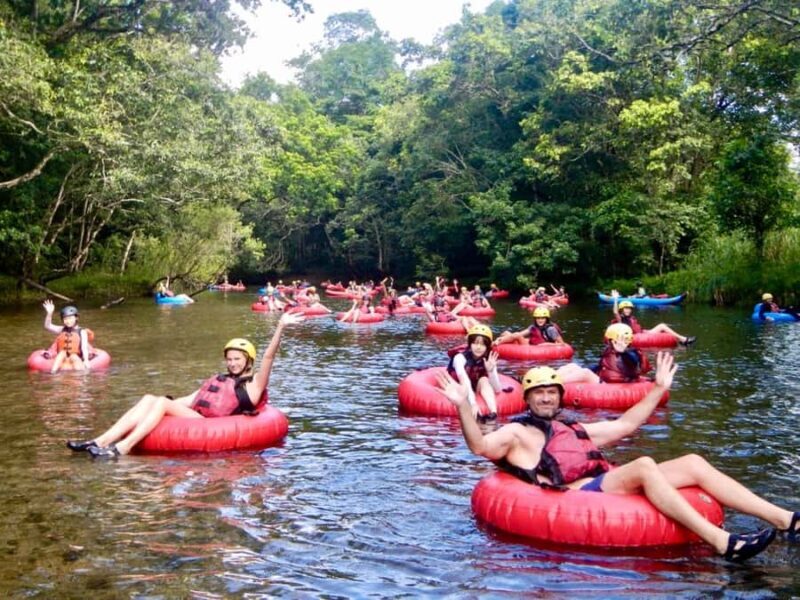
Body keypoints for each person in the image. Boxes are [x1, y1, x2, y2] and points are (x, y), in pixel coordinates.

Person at [436, 353, 799, 562]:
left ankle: (786, 520)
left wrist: (658, 388)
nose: (546, 399)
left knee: (692, 462)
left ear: (559, 397)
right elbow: (479, 448)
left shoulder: (574, 428)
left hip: (601, 482)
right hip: (580, 495)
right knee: (643, 465)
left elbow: (626, 423)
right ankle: (723, 542)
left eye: (551, 393)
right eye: (539, 394)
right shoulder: (516, 433)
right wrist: (463, 408)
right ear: (528, 399)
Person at [66, 312, 304, 457]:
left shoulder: (253, 385)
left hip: (211, 425)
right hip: (198, 416)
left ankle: (124, 448)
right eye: (229, 359)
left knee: (159, 403)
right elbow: (192, 399)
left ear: (248, 361)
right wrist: (161, 409)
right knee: (151, 399)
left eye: (237, 359)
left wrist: (280, 326)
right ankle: (99, 441)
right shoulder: (220, 380)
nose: (232, 364)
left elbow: (270, 358)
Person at [556, 323, 649, 385]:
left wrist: (623, 352)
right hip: (605, 381)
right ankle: (549, 376)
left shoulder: (632, 353)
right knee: (572, 366)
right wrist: (581, 368)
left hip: (615, 387)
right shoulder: (610, 351)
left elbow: (633, 362)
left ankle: (554, 383)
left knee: (585, 373)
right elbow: (600, 367)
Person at [446, 325, 502, 421]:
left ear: (487, 346)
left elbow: (497, 389)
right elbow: (465, 381)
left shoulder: (489, 360)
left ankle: (493, 413)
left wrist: (491, 371)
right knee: (465, 383)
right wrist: (473, 403)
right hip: (458, 384)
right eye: (475, 343)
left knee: (484, 380)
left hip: (475, 384)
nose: (479, 347)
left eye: (483, 344)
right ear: (470, 344)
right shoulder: (460, 358)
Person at [612, 290, 696, 346]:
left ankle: (681, 340)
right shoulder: (621, 319)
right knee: (662, 326)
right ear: (621, 310)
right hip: (637, 337)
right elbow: (615, 312)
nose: (628, 310)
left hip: (642, 333)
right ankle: (683, 340)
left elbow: (638, 328)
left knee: (662, 326)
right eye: (626, 309)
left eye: (629, 308)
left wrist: (645, 331)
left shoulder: (631, 317)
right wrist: (615, 299)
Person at [42, 300, 94, 373]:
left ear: (76, 318)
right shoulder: (61, 329)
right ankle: (53, 373)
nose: (68, 321)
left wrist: (86, 360)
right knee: (62, 353)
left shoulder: (82, 331)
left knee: (73, 356)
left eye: (70, 318)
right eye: (65, 319)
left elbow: (84, 347)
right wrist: (49, 313)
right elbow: (47, 326)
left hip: (76, 355)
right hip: (62, 355)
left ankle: (80, 377)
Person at [495, 307, 565, 346]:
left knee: (516, 335)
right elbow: (521, 334)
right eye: (538, 318)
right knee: (506, 333)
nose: (540, 320)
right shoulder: (533, 326)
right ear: (535, 318)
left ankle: (496, 343)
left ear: (546, 319)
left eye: (542, 318)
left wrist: (546, 344)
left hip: (535, 349)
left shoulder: (550, 329)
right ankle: (498, 340)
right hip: (531, 344)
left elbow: (562, 344)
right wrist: (510, 336)